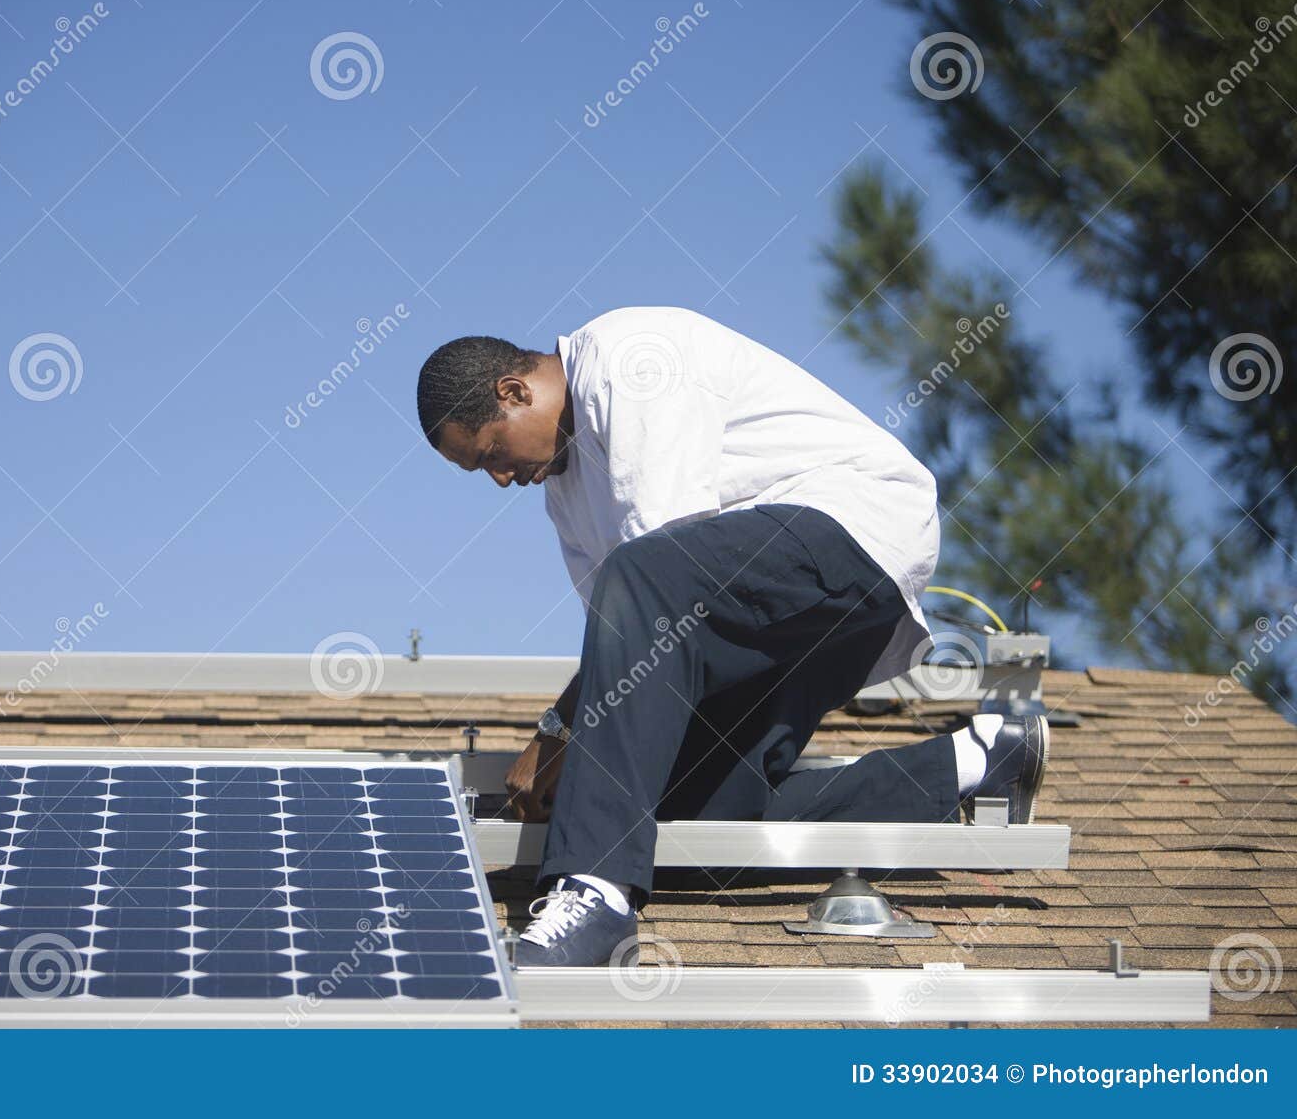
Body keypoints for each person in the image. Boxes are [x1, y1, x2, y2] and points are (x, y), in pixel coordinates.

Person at [415, 307, 1048, 967]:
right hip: (770, 611)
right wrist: (559, 742)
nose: (498, 478)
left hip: (852, 529)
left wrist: (560, 736)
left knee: (642, 580)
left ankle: (595, 891)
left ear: (515, 393)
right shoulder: (567, 500)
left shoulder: (629, 357)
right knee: (681, 828)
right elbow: (628, 647)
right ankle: (978, 758)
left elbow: (658, 565)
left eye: (490, 452)